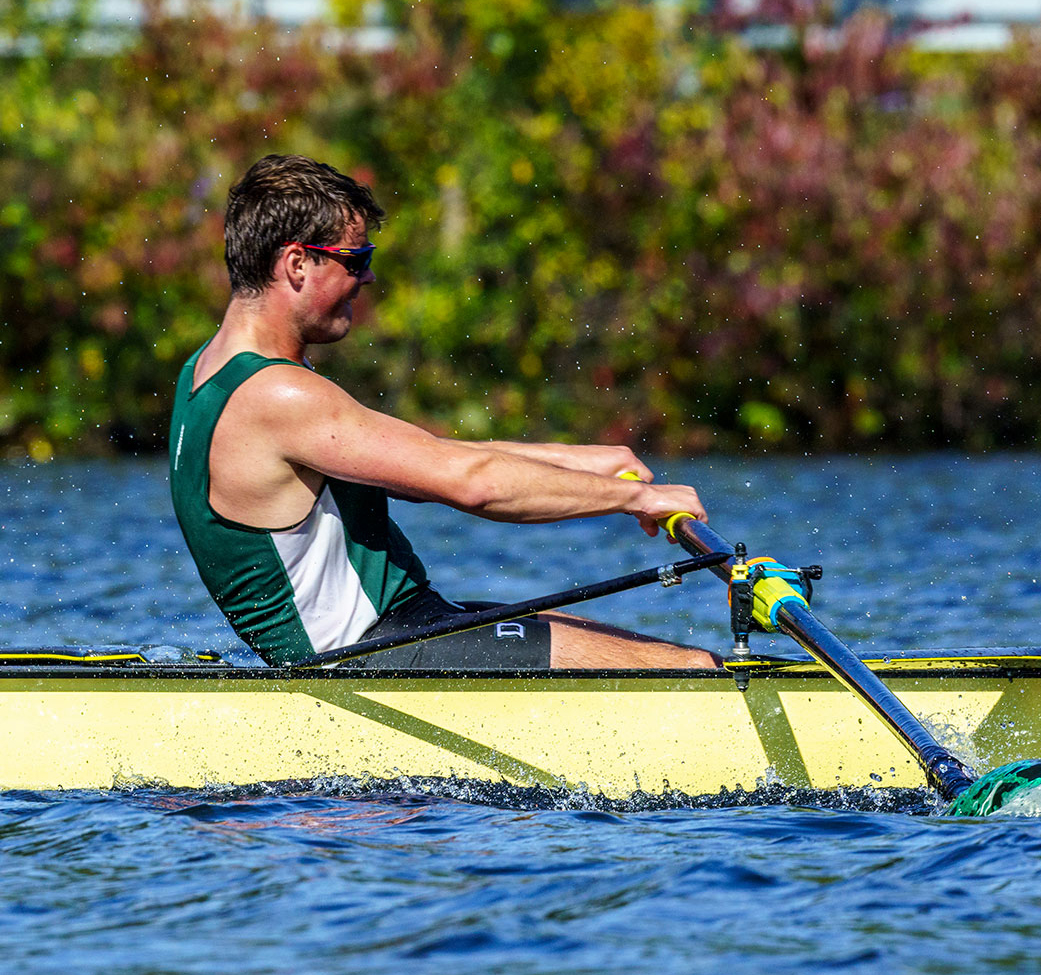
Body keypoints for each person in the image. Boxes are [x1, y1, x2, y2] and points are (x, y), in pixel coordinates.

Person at [169, 155, 717, 669]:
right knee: (693, 668)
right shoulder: (280, 395)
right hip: (369, 655)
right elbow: (470, 484)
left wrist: (585, 462)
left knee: (626, 643)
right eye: (356, 260)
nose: (368, 279)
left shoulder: (208, 371)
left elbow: (428, 461)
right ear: (296, 264)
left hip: (401, 630)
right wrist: (636, 498)